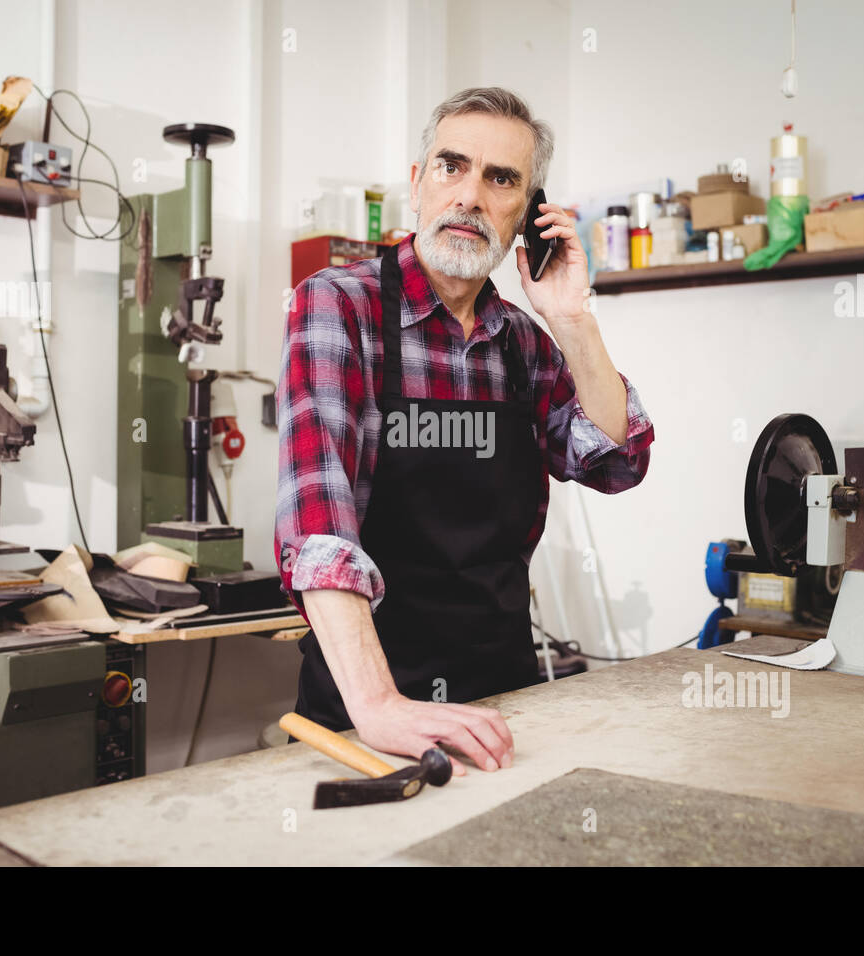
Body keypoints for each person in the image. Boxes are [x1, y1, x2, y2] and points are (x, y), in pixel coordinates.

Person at [275, 87, 653, 776]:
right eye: (451, 166)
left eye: (501, 179)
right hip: (365, 716)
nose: (471, 196)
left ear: (529, 215)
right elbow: (317, 525)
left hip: (506, 705)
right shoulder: (337, 307)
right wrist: (381, 705)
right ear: (417, 186)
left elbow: (617, 463)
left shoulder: (524, 345)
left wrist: (572, 319)